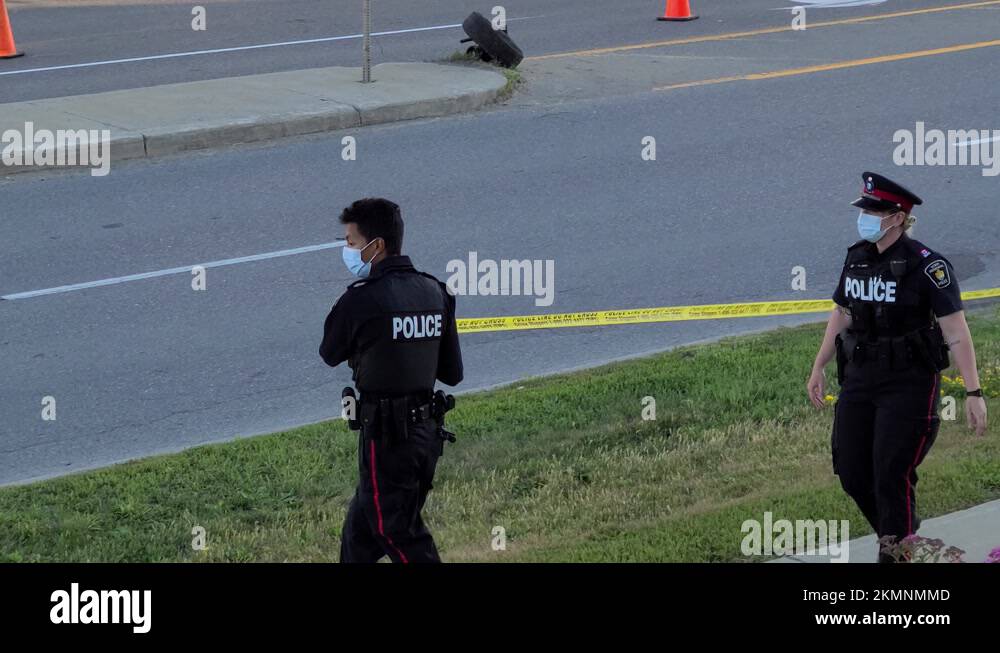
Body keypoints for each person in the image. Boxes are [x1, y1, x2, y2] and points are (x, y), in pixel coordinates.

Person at [807, 172, 988, 563]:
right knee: (854, 472)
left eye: (875, 210)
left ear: (898, 217)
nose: (866, 216)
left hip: (908, 384)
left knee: (891, 473)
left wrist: (973, 393)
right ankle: (901, 529)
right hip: (860, 378)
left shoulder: (927, 266)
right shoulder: (856, 257)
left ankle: (896, 554)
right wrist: (819, 365)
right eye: (865, 209)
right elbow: (842, 313)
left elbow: (956, 332)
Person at [320, 198, 463, 563]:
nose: (347, 250)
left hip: (386, 440)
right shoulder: (436, 292)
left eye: (351, 242)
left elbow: (329, 351)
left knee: (396, 532)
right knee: (360, 536)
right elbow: (452, 373)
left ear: (377, 245)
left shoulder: (360, 300)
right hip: (424, 436)